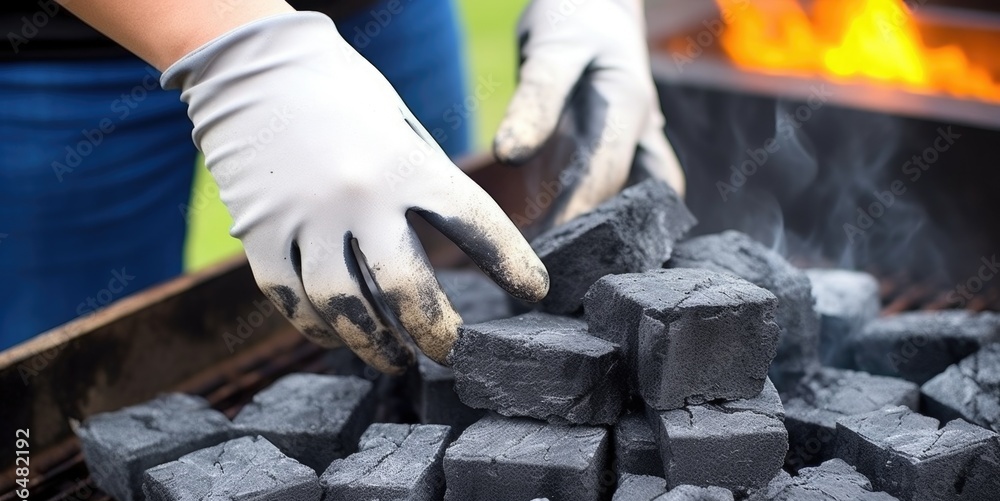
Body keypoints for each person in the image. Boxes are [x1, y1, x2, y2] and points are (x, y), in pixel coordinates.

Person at [2, 0, 684, 369]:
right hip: (75, 50)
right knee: (69, 382)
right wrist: (231, 46)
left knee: (428, 280)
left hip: (381, 16)